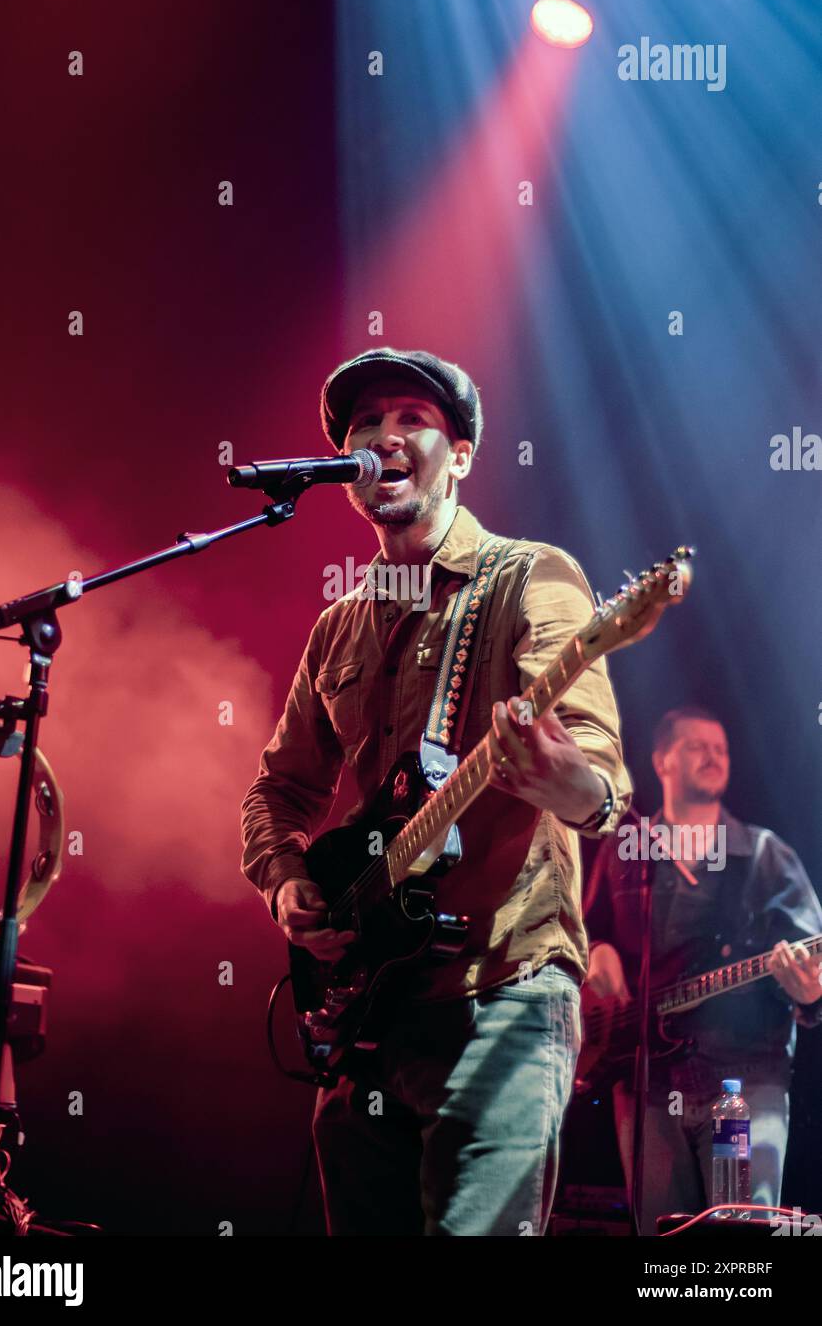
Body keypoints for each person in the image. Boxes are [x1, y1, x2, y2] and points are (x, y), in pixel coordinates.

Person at [241, 347, 632, 1236]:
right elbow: (279, 790)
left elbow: (598, 770)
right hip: (369, 1017)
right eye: (364, 426)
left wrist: (570, 782)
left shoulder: (533, 576)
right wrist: (287, 883)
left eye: (411, 419)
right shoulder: (340, 625)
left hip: (502, 992)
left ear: (459, 454)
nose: (383, 437)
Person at [584, 705, 822, 1235]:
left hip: (740, 1084)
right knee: (660, 1238)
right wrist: (597, 949)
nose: (714, 756)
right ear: (661, 760)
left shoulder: (763, 855)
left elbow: (813, 966)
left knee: (737, 1241)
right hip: (645, 1081)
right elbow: (585, 929)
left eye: (722, 749)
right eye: (697, 746)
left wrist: (809, 989)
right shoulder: (630, 850)